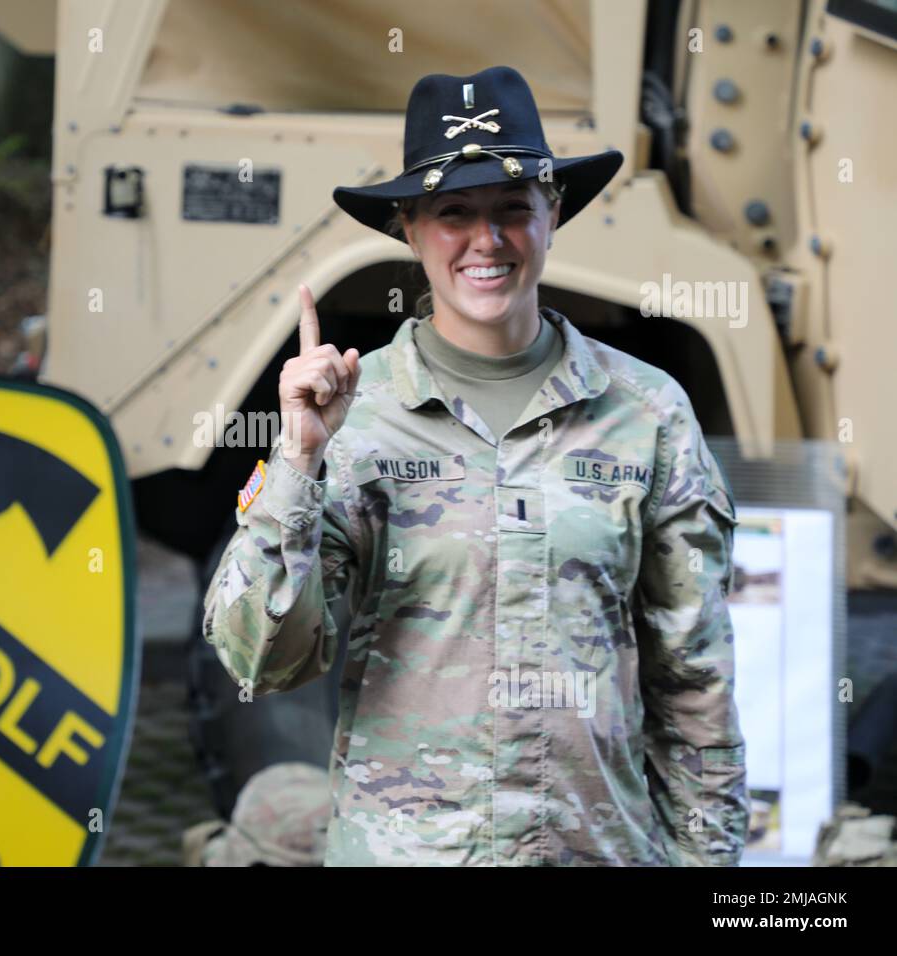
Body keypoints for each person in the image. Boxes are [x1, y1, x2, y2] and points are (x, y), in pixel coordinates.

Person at [202, 66, 748, 866]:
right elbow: (261, 660)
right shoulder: (354, 420)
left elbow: (693, 676)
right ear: (410, 229)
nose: (486, 241)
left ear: (553, 213)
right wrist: (298, 461)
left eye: (512, 209)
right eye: (454, 212)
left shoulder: (647, 412)